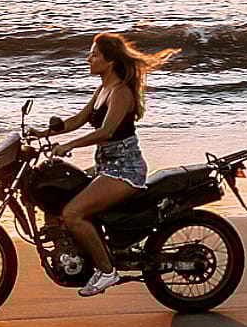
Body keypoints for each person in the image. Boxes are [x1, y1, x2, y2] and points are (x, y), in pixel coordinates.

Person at [39, 33, 178, 297]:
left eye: (94, 55)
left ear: (110, 61)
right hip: (106, 166)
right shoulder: (103, 89)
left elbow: (107, 131)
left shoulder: (121, 92)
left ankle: (106, 271)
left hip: (125, 171)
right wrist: (41, 133)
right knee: (61, 195)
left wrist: (70, 145)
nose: (88, 59)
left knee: (73, 213)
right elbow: (78, 119)